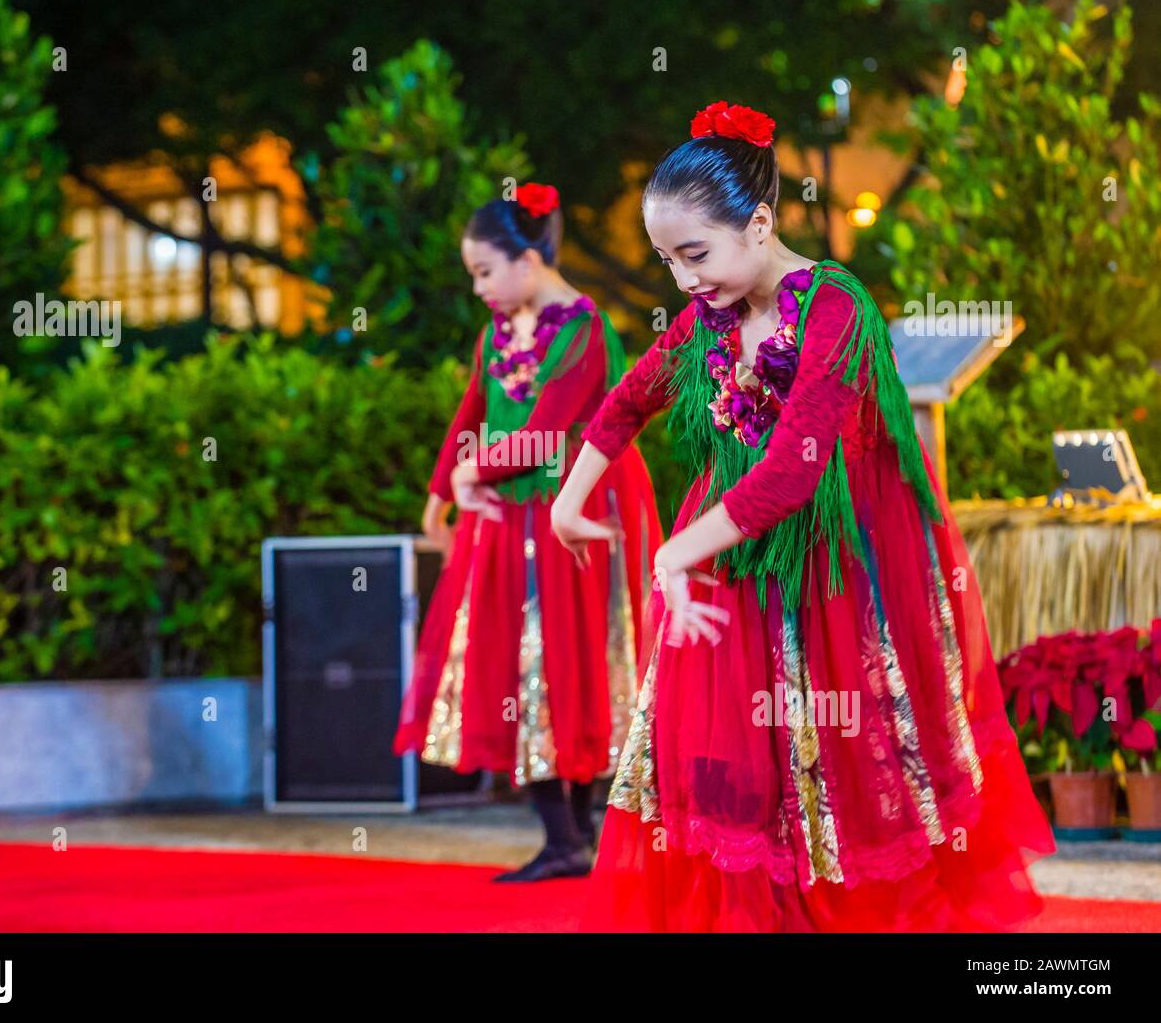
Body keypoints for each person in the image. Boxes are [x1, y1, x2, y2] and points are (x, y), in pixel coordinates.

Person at [551, 103, 1056, 930]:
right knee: (745, 771)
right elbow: (626, 402)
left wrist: (678, 553)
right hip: (745, 572)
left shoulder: (836, 310)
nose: (684, 280)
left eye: (696, 255)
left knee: (844, 762)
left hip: (836, 575)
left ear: (756, 222)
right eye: (668, 260)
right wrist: (570, 503)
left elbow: (793, 470)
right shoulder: (707, 318)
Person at [394, 182, 664, 882]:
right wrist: (438, 497)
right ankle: (564, 837)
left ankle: (579, 834)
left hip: (572, 511)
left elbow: (546, 435)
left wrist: (470, 475)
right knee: (522, 664)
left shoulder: (583, 329)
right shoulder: (498, 330)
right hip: (510, 511)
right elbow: (471, 410)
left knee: (569, 663)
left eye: (485, 271)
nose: (479, 288)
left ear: (527, 258)